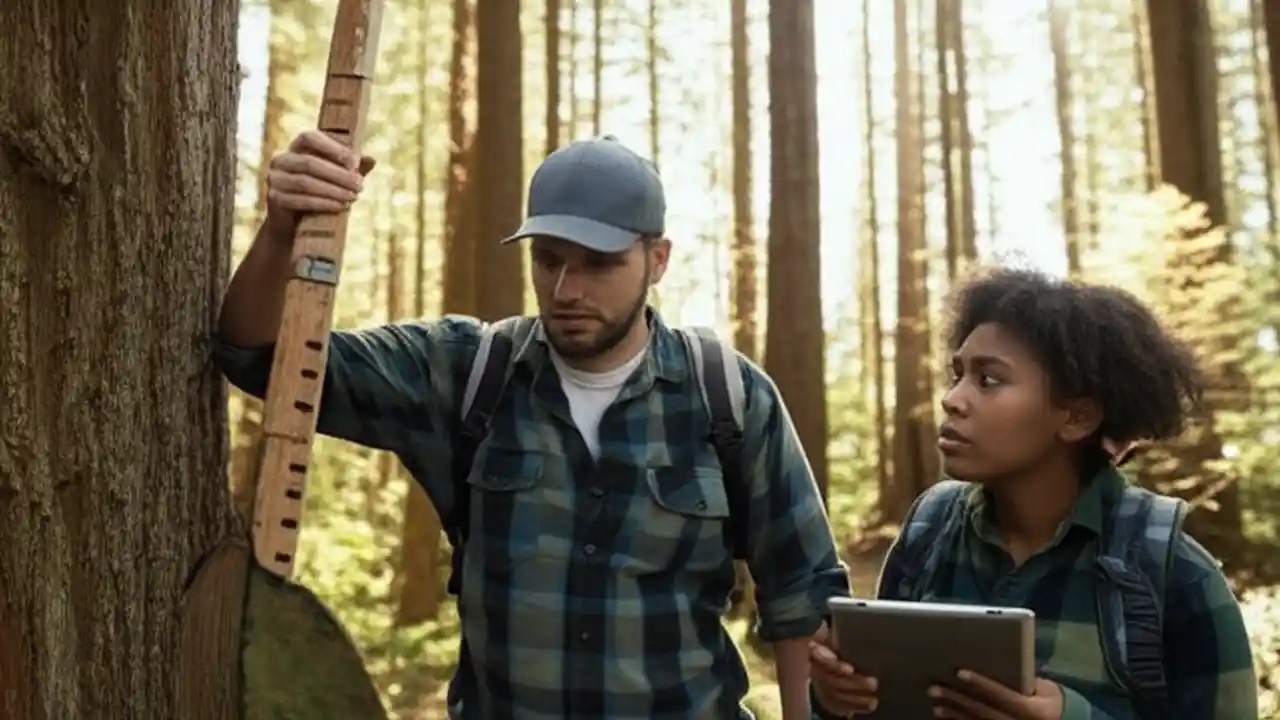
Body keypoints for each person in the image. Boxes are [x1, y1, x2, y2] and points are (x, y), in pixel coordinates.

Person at [213, 130, 850, 719]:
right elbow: (261, 358)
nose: (567, 290)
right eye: (548, 260)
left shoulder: (729, 397)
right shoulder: (464, 373)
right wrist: (282, 231)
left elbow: (801, 595)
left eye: (598, 263)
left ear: (657, 260)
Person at [809, 267, 1258, 719]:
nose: (952, 399)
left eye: (988, 380)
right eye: (958, 374)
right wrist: (837, 699)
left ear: (1077, 417)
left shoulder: (1175, 574)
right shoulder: (929, 534)